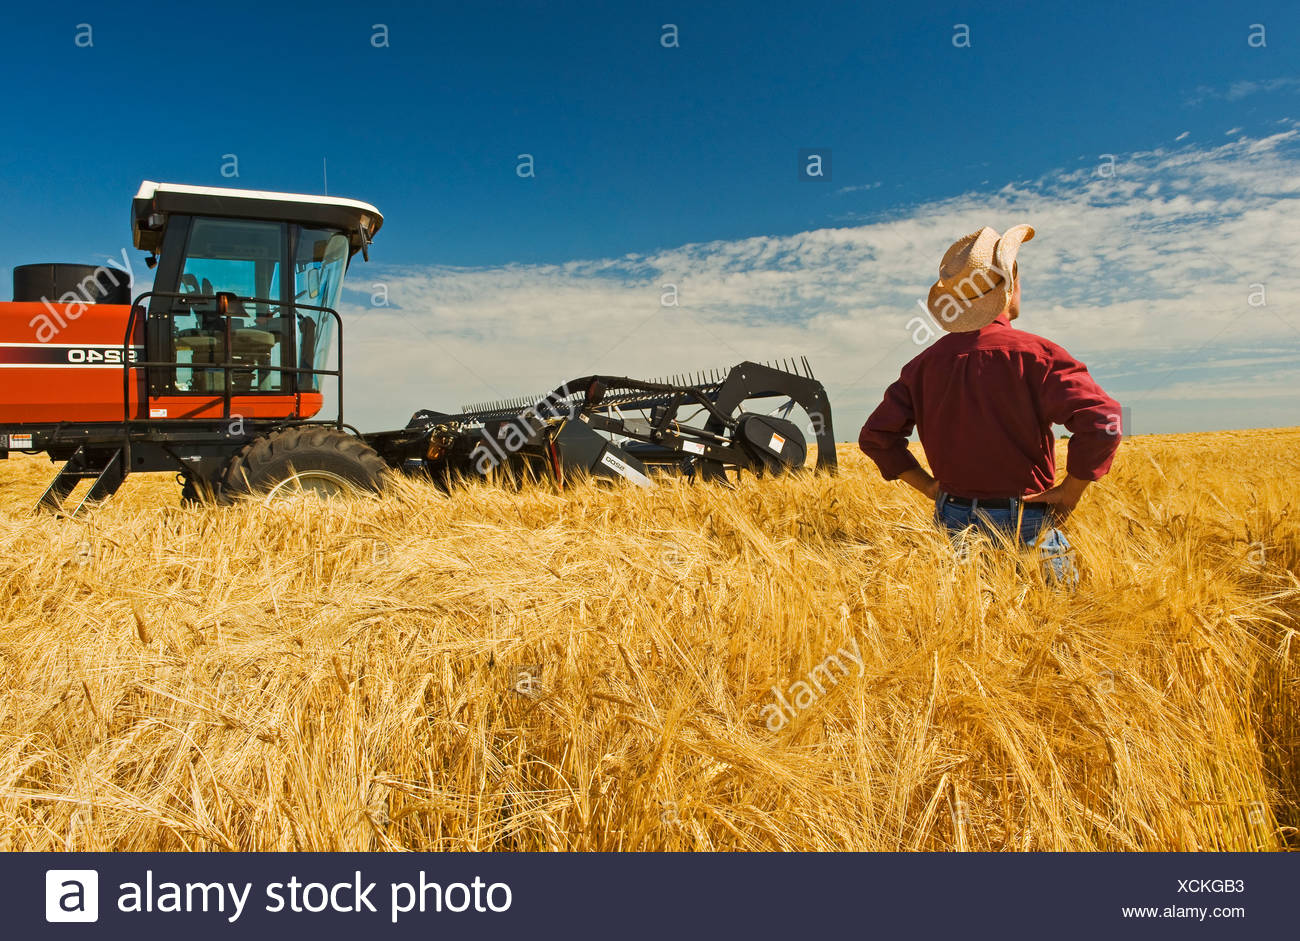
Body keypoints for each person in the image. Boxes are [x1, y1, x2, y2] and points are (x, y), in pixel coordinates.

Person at [858, 224, 1121, 582]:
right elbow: (1103, 420)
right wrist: (1070, 492)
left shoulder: (923, 366)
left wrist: (929, 487)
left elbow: (876, 435)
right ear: (1010, 280)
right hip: (1026, 520)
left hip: (953, 521)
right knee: (1058, 626)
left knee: (966, 631)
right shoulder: (1037, 355)